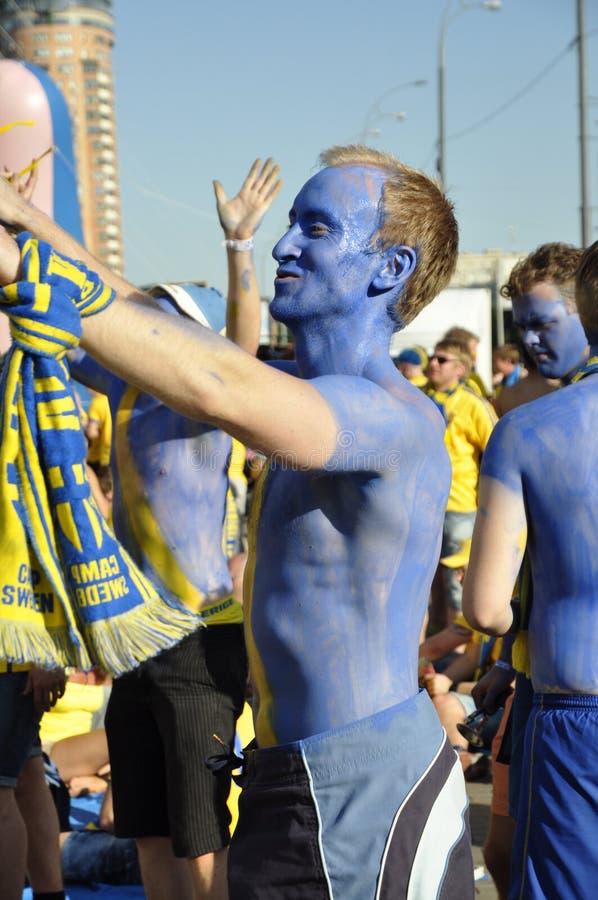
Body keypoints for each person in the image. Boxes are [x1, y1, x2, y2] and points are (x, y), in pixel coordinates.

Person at [0, 144, 474, 899]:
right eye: (291, 224)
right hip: (286, 772)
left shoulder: (391, 417)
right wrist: (24, 220)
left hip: (367, 788)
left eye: (316, 229)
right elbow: (149, 321)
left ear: (389, 269)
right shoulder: (296, 388)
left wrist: (24, 268)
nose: (285, 243)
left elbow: (219, 384)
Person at [462, 239, 598, 899]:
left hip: (576, 707)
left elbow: (485, 607)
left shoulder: (526, 429)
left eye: (546, 322)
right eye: (524, 328)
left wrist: (518, 639)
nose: (531, 342)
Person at [425, 338, 496, 625]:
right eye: (432, 357)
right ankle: (429, 653)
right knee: (425, 583)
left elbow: (497, 451)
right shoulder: (418, 397)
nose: (433, 363)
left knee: (456, 584)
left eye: (441, 360)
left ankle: (455, 657)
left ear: (460, 368)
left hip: (460, 507)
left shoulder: (473, 404)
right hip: (421, 506)